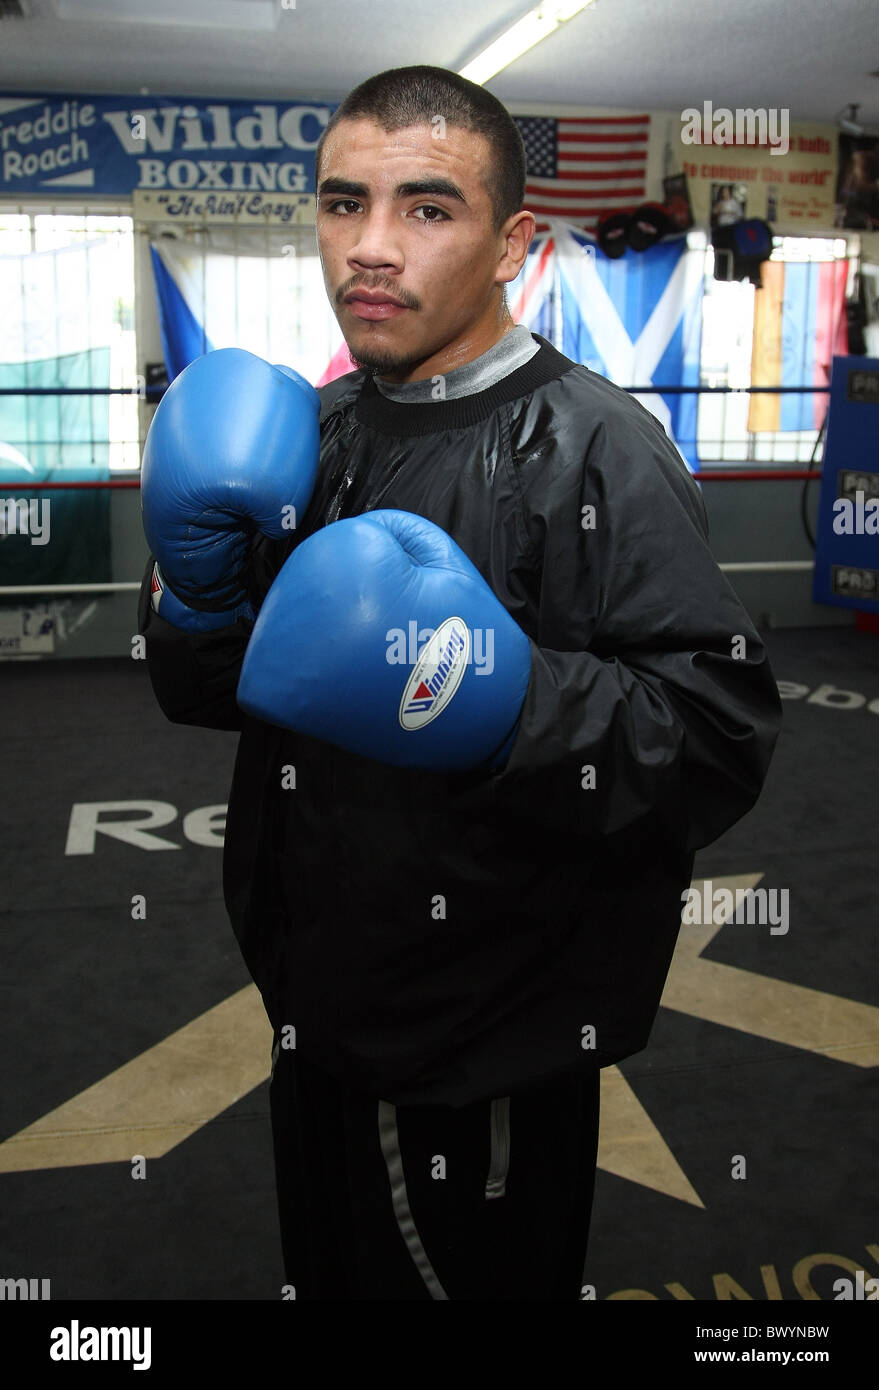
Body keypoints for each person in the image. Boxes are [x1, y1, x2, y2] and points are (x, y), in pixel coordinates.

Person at [138, 65, 783, 1301]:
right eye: (342, 204)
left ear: (511, 243)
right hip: (320, 1008)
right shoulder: (320, 431)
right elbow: (229, 685)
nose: (369, 250)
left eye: (427, 209)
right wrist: (196, 591)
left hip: (476, 1042)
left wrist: (484, 694)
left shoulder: (597, 448)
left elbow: (713, 730)